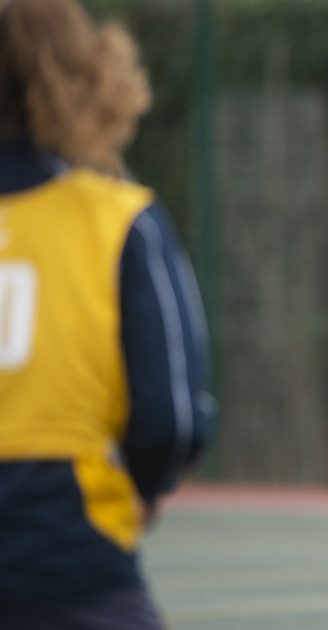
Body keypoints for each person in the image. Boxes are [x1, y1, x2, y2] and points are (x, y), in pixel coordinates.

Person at [0, 0, 213, 627]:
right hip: (65, 548)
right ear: (79, 71)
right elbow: (167, 419)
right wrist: (148, 485)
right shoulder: (117, 221)